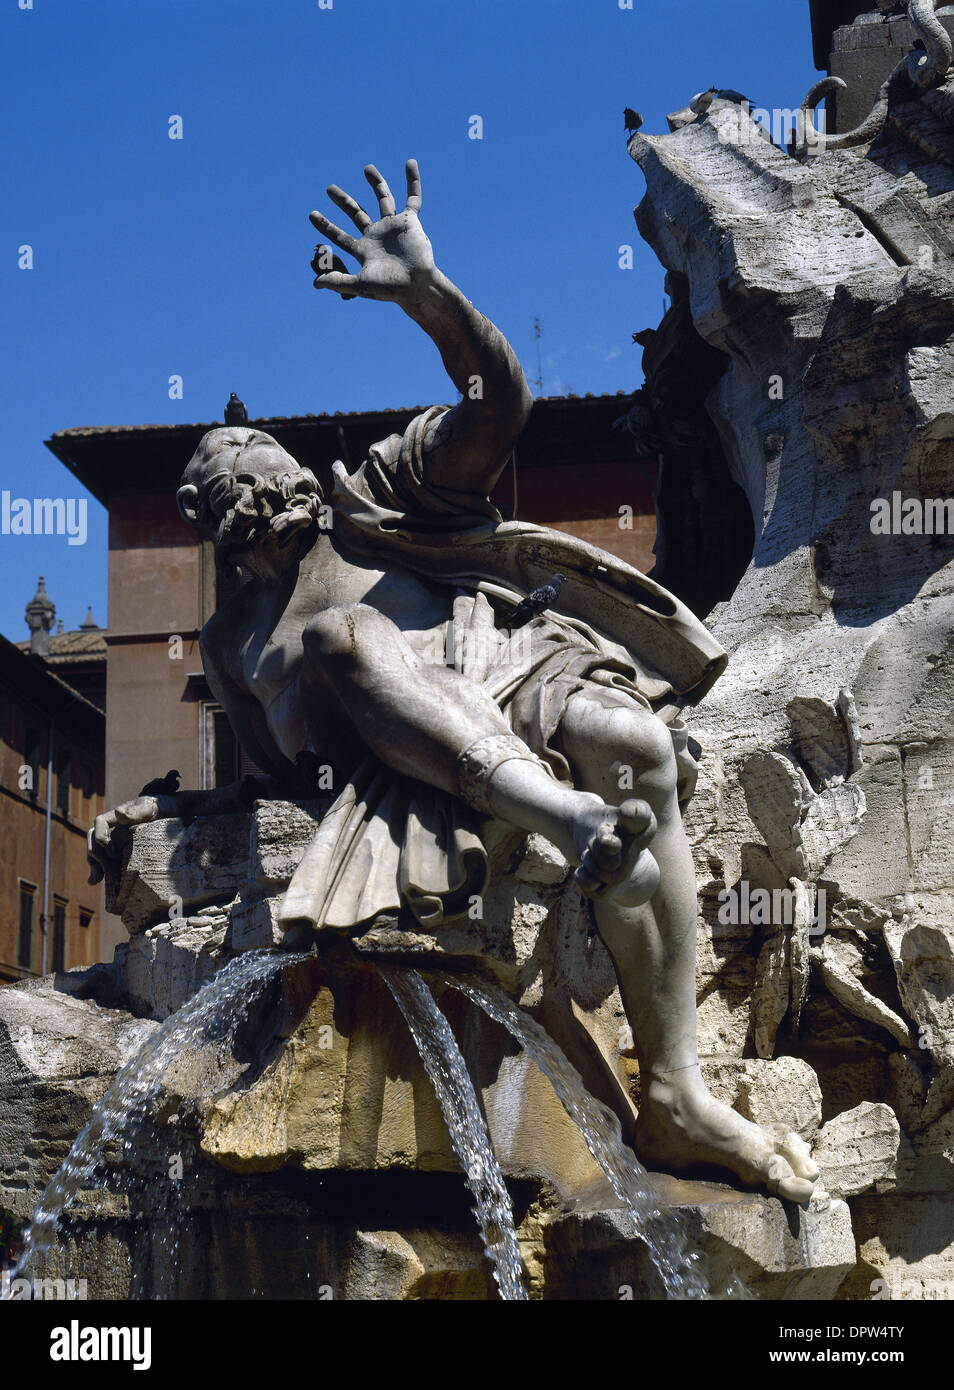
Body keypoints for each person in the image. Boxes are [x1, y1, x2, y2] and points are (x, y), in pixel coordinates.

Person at [90, 161, 818, 1203]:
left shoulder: (377, 498)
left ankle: (676, 1091)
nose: (259, 468)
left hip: (503, 667)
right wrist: (160, 817)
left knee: (640, 746)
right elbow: (265, 789)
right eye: (233, 471)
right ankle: (569, 818)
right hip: (400, 779)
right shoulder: (232, 641)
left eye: (266, 454)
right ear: (214, 520)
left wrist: (430, 298)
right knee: (347, 636)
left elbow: (498, 408)